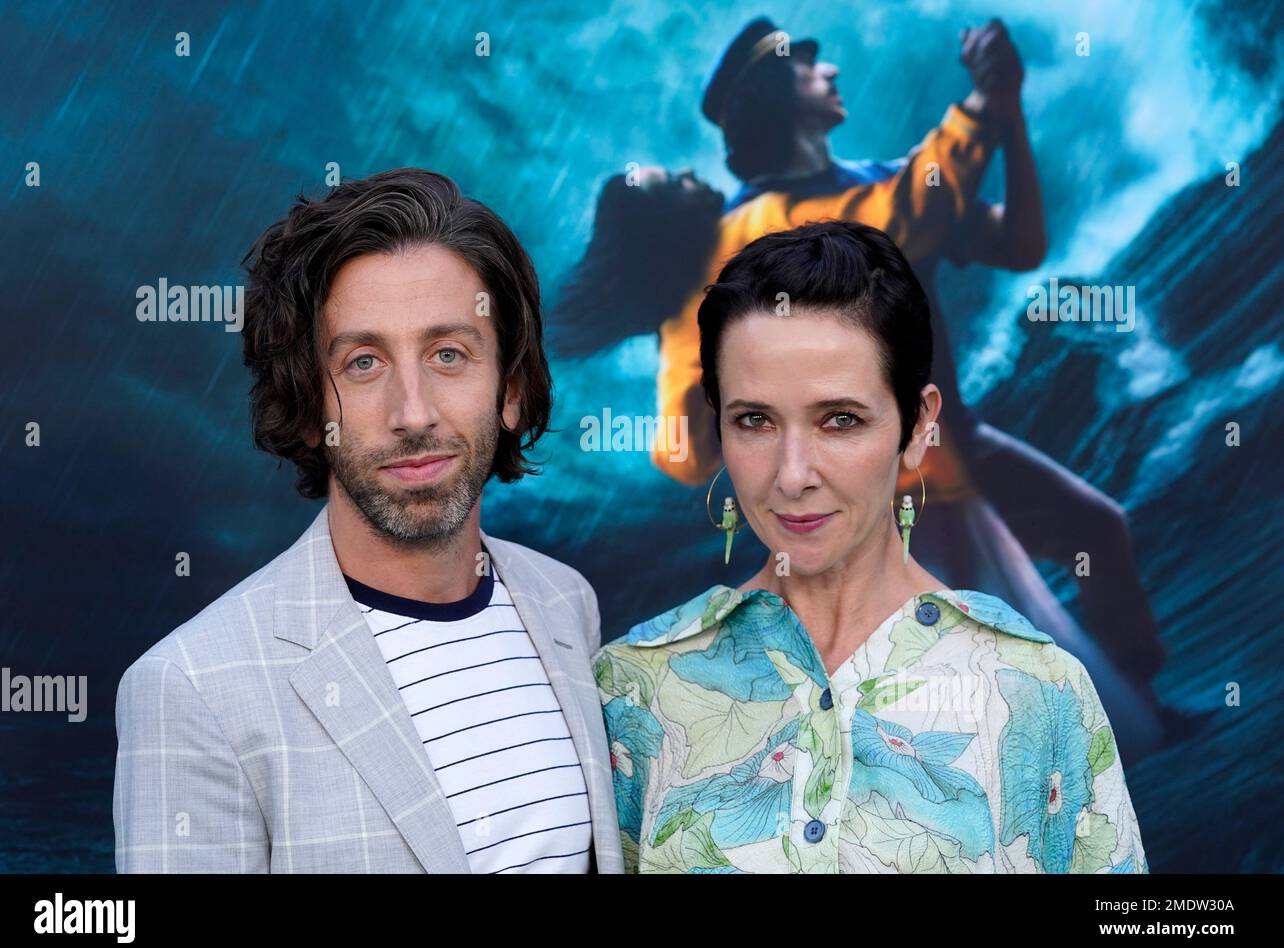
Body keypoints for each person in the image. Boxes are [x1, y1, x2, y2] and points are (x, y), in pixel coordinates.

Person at [592, 221, 1148, 873]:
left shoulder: (1041, 687)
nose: (793, 473)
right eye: (755, 420)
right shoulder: (629, 689)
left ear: (918, 428)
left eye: (840, 420)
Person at [113, 168, 621, 873]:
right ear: (308, 401)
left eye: (449, 354)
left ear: (509, 388)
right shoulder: (192, 686)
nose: (412, 411)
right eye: (362, 362)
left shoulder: (565, 603)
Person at [648, 16, 1166, 688]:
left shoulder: (882, 178)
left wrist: (1006, 117)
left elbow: (1019, 244)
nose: (829, 71)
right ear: (775, 98)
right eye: (808, 65)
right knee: (947, 669)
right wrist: (981, 105)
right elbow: (897, 215)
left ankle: (1141, 713)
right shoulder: (750, 229)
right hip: (874, 495)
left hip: (959, 446)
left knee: (1095, 530)